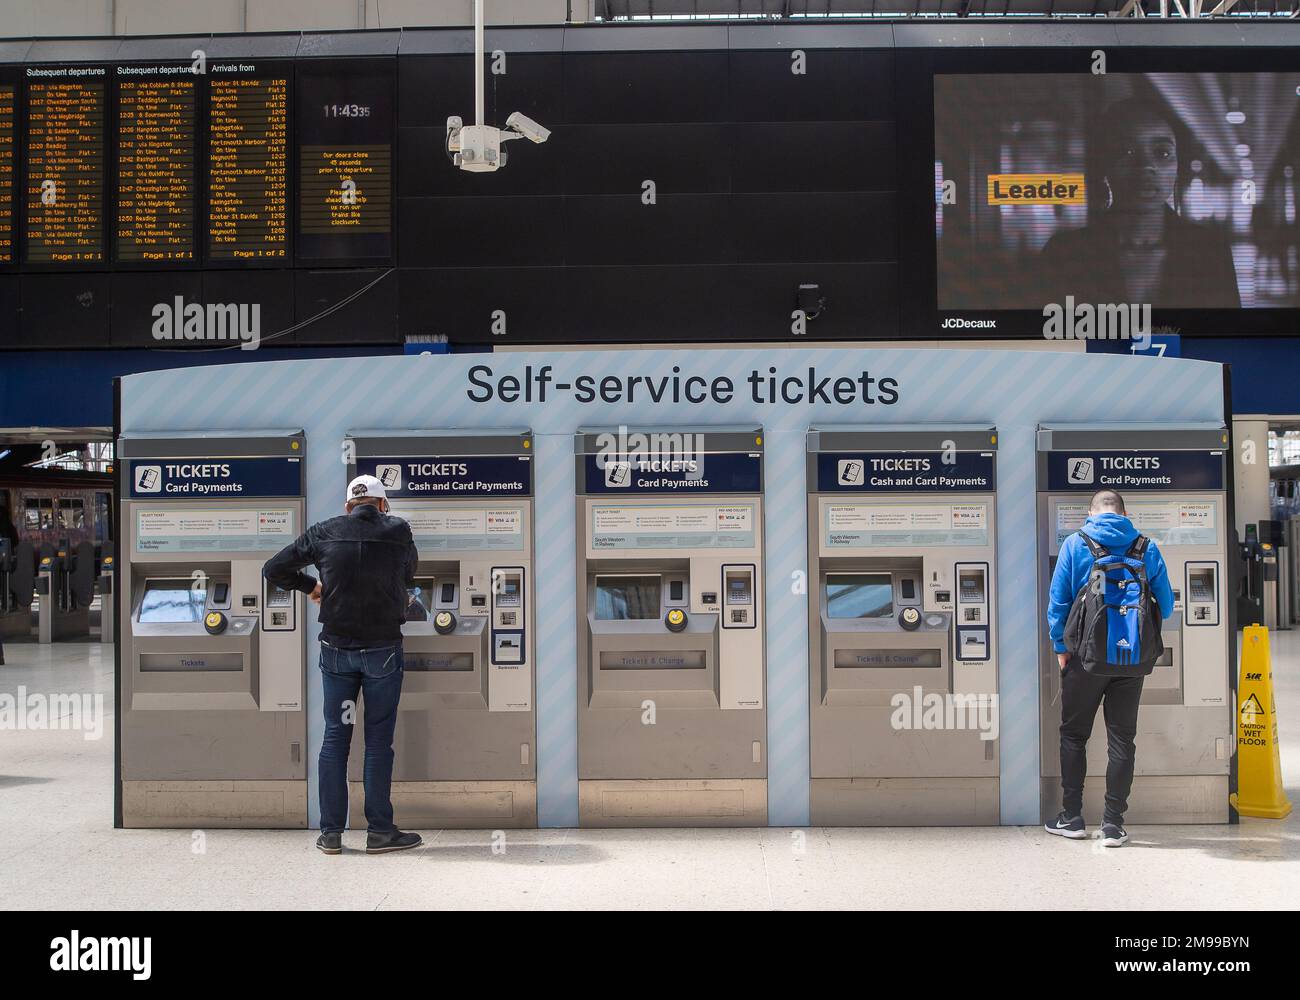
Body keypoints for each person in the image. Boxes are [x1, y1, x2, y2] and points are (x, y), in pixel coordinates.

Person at [264, 474, 422, 856]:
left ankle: (331, 832)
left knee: (336, 736)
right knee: (378, 741)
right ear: (382, 504)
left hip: (337, 649)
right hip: (382, 649)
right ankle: (380, 832)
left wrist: (312, 588)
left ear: (348, 506)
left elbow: (274, 569)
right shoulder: (399, 531)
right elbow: (409, 576)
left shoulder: (324, 532)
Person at [1044, 489, 1174, 848]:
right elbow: (1166, 602)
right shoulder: (1146, 547)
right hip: (1130, 660)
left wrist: (1060, 647)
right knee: (1121, 740)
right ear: (1124, 513)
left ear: (1090, 513)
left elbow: (1058, 602)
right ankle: (1113, 824)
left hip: (1084, 658)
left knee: (1074, 735)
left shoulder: (1076, 544)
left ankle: (1071, 817)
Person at [1038, 96, 1240, 310]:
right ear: (1104, 163)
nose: (1145, 166)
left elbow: (1227, 339)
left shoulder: (1209, 251)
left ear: (1178, 164)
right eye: (1126, 151)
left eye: (1162, 153)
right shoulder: (1065, 254)